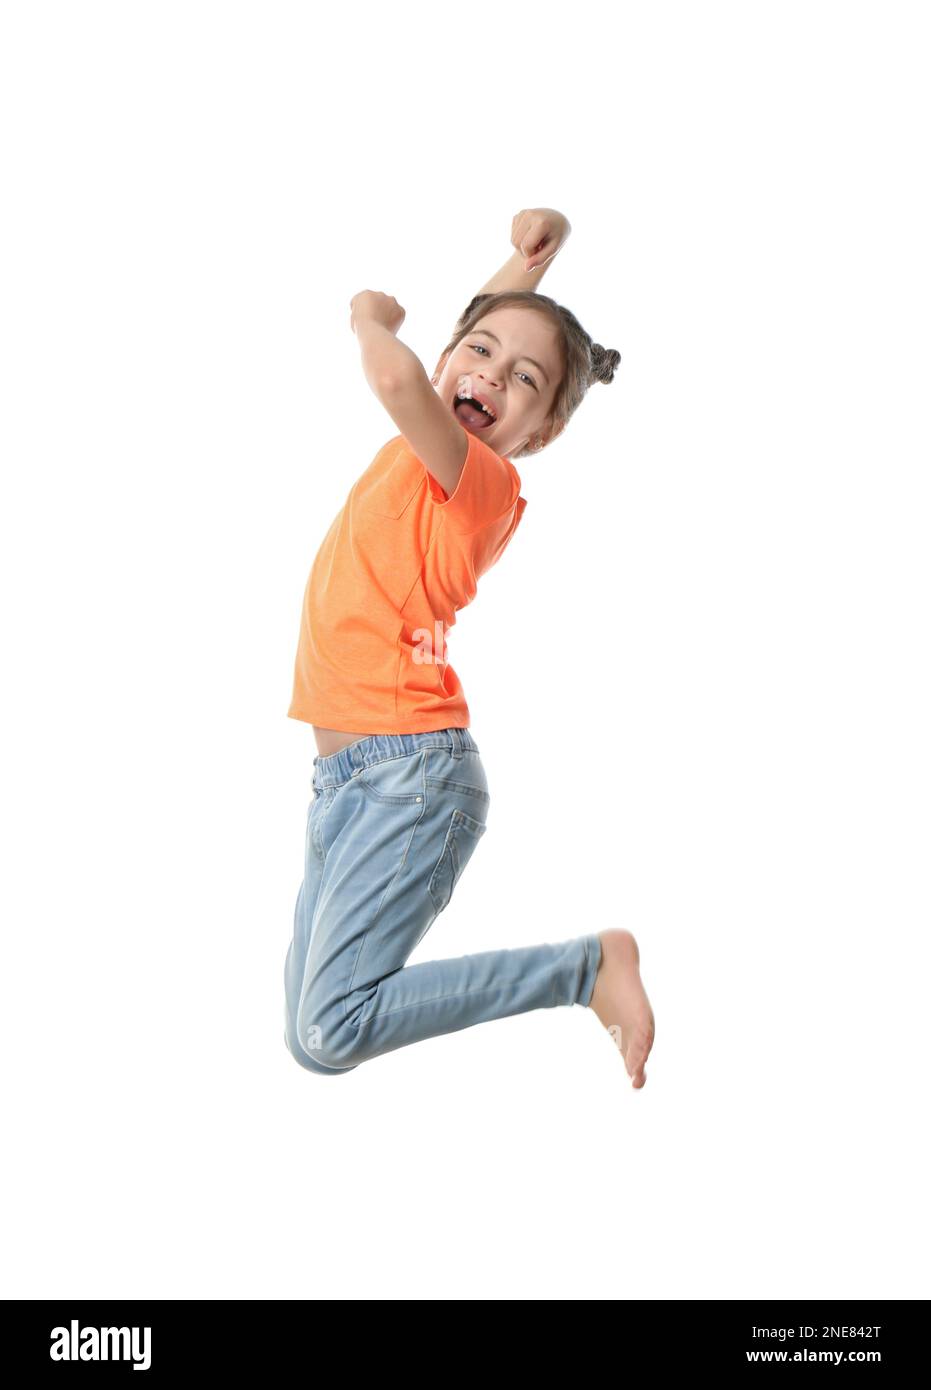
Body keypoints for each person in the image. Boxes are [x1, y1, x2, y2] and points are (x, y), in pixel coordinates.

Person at [283, 208, 655, 1085]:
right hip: (348, 781)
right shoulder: (435, 447)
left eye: (523, 381)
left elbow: (405, 381)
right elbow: (469, 347)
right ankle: (583, 969)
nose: (490, 375)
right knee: (312, 1037)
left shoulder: (479, 480)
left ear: (539, 434)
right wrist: (535, 259)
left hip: (409, 776)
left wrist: (367, 318)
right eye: (478, 353)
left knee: (335, 1025)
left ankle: (585, 967)